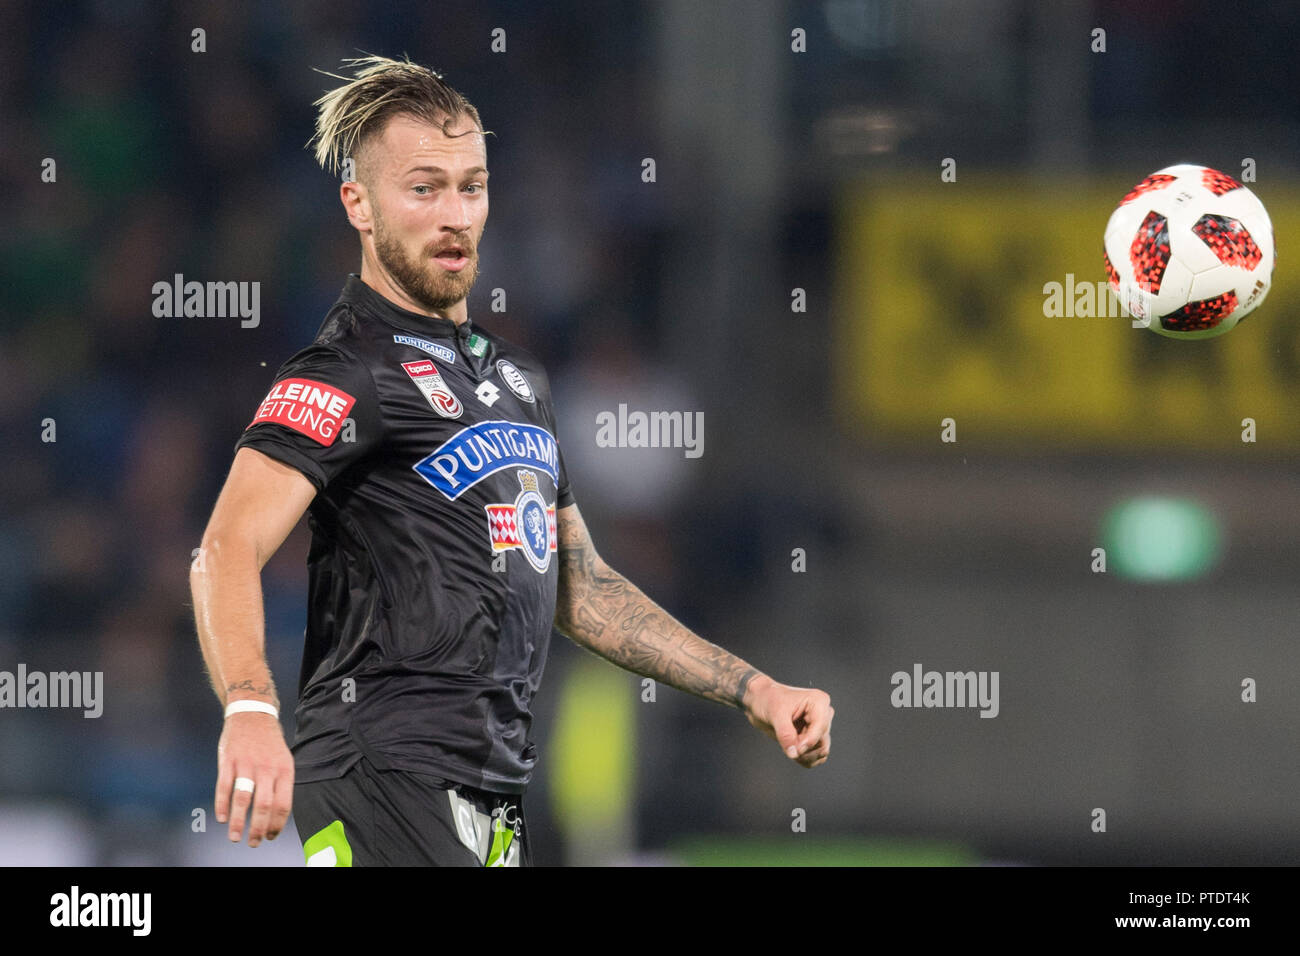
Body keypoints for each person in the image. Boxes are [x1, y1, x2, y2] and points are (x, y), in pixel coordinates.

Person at [188, 55, 833, 867]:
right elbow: (225, 549)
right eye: (423, 188)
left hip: (489, 795)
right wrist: (248, 709)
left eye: (472, 185)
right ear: (358, 203)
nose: (455, 214)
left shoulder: (518, 378)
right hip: (380, 776)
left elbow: (584, 588)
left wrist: (753, 689)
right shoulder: (346, 371)